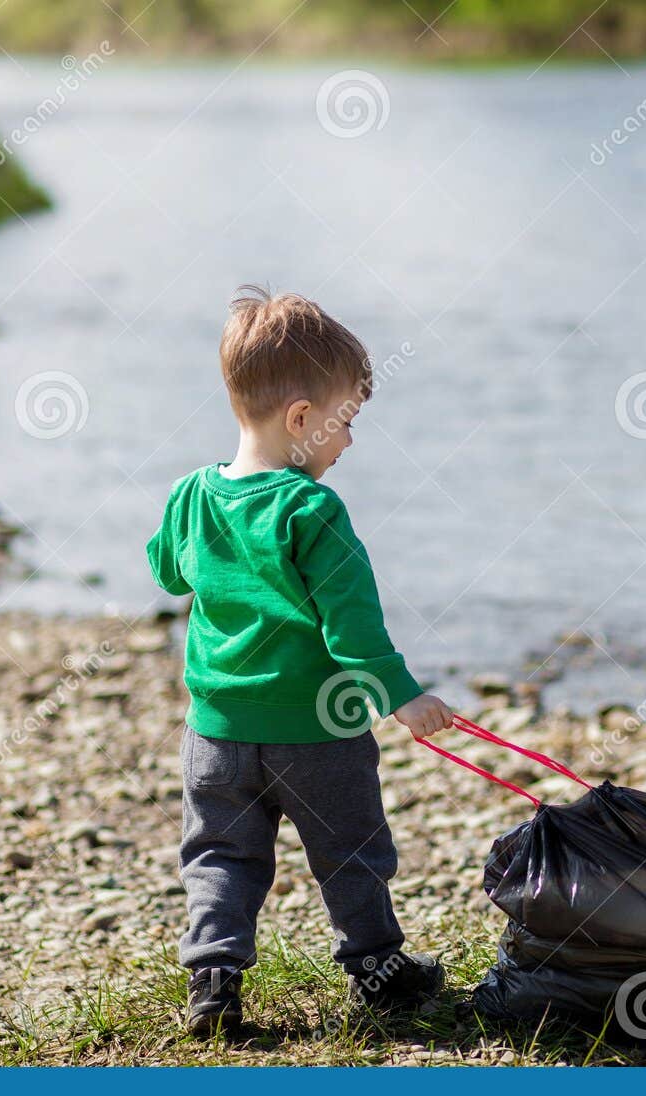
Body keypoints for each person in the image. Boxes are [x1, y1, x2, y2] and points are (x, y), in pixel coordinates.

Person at [146, 285, 454, 1041]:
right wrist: (404, 699)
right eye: (346, 423)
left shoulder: (192, 493)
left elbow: (167, 573)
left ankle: (214, 986)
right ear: (301, 420)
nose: (349, 442)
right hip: (319, 734)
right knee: (350, 852)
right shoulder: (313, 511)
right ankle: (380, 974)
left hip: (216, 734)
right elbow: (355, 633)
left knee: (220, 854)